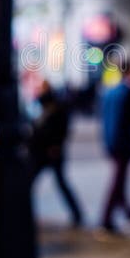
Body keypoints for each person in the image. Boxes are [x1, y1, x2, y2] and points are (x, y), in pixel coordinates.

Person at [27, 79, 83, 227]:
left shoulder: (56, 105)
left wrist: (56, 145)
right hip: (39, 153)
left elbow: (62, 128)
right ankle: (25, 212)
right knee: (30, 182)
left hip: (52, 153)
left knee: (61, 183)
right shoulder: (36, 105)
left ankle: (77, 214)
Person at [99, 62, 130, 232]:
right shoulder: (129, 92)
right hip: (124, 143)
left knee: (121, 178)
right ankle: (106, 218)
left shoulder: (109, 91)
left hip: (111, 142)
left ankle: (128, 211)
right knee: (118, 180)